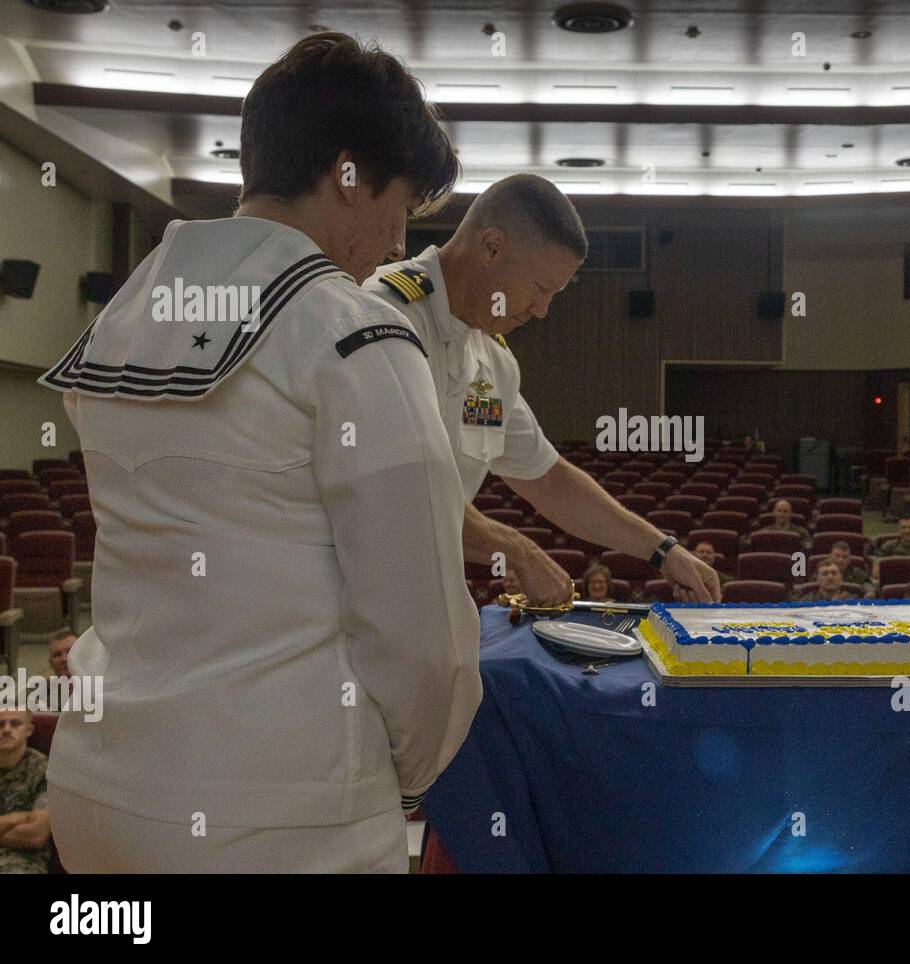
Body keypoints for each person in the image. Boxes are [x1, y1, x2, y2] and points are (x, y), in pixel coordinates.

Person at [37, 33, 480, 872]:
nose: (395, 245)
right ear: (347, 175)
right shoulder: (357, 336)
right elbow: (423, 635)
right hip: (276, 822)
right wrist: (409, 776)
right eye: (401, 208)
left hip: (96, 795)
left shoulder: (124, 315)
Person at [364, 174, 718, 607]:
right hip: (348, 608)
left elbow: (547, 479)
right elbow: (403, 488)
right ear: (491, 247)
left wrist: (663, 550)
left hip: (423, 598)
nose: (542, 310)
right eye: (538, 288)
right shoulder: (384, 315)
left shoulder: (492, 364)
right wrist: (519, 552)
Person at [0, 710, 52, 874]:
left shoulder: (44, 770)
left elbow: (36, 835)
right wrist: (19, 817)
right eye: (0, 724)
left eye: (15, 723)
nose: (7, 729)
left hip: (22, 861)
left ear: (28, 730)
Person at [746, 499, 812, 551]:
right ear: (774, 512)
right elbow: (749, 541)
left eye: (785, 511)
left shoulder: (802, 532)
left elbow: (809, 545)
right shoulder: (764, 532)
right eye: (779, 511)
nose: (782, 514)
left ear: (791, 513)